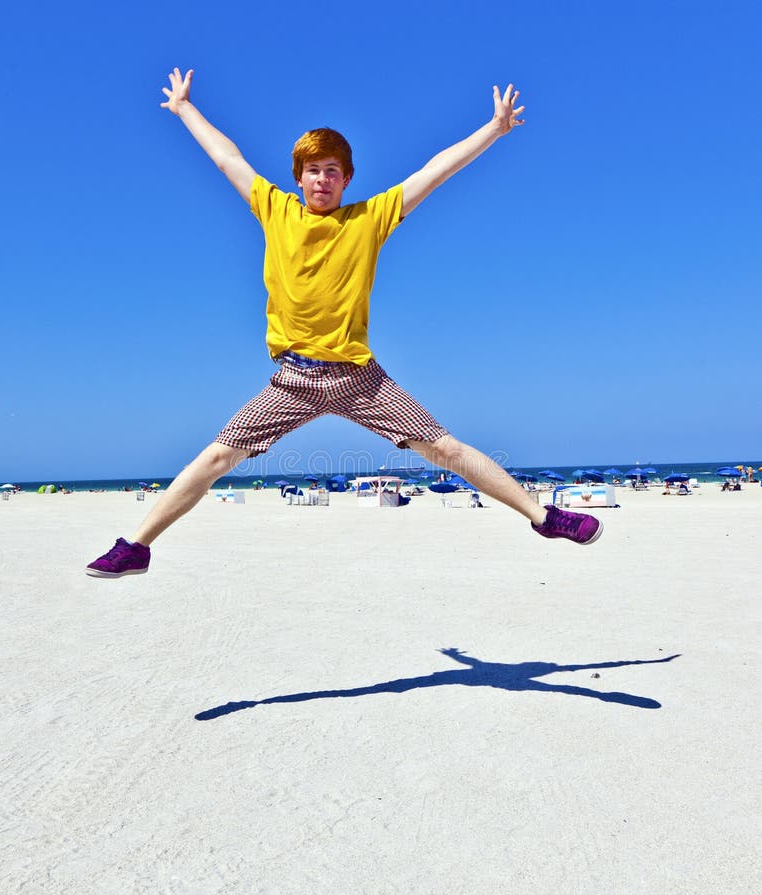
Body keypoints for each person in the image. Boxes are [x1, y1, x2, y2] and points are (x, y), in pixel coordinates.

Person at [85, 68, 603, 578]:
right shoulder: (274, 210)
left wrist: (494, 129)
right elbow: (227, 158)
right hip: (294, 378)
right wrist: (183, 109)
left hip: (359, 377)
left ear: (347, 178)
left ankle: (545, 517)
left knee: (444, 447)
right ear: (298, 176)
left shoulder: (369, 219)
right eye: (313, 170)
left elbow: (435, 171)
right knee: (217, 457)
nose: (323, 179)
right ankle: (136, 547)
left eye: (333, 170)